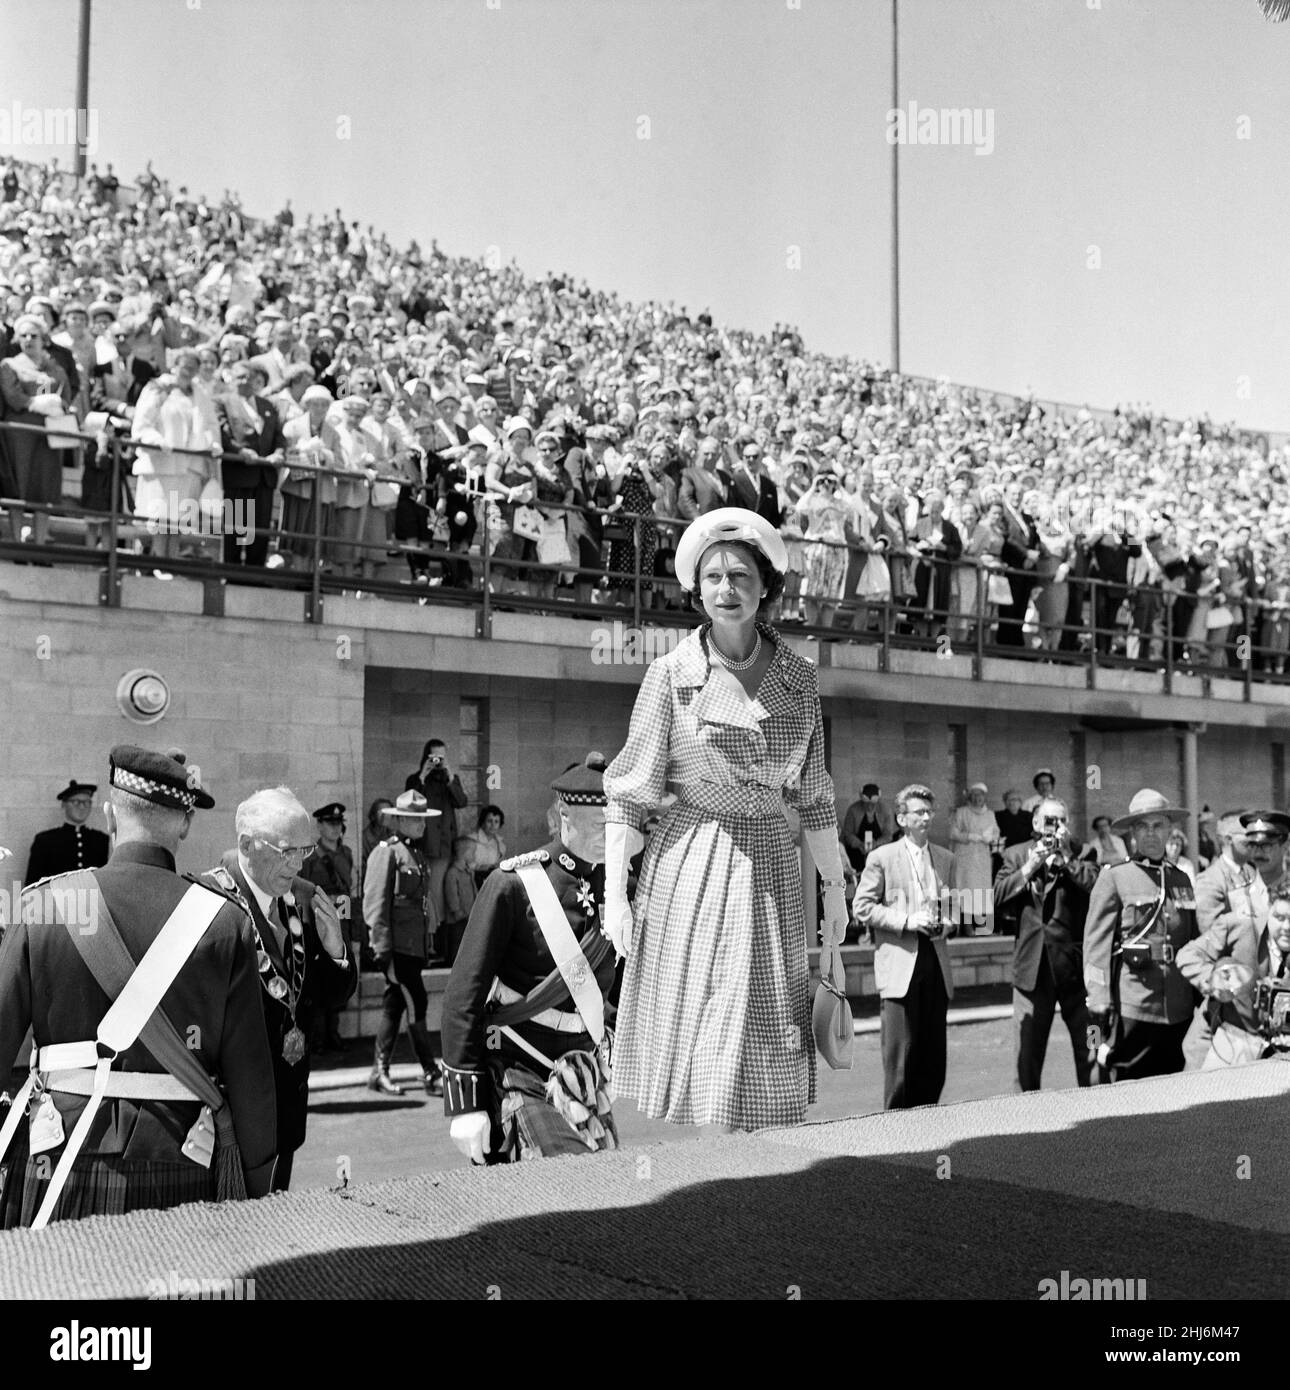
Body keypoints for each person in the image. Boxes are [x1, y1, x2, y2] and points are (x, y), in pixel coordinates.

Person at [602, 507, 848, 1130]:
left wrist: (835, 887)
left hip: (772, 859)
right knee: (711, 1016)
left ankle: (761, 1155)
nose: (726, 590)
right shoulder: (669, 674)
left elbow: (814, 794)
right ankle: (724, 1170)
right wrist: (613, 897)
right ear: (696, 589)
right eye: (712, 577)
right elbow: (631, 792)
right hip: (693, 859)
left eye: (740, 575)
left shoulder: (799, 678)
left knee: (765, 1014)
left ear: (765, 586)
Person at [0, 746, 277, 1227]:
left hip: (55, 1157)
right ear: (185, 824)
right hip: (182, 1159)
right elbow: (253, 1082)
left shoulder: (42, 907)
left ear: (110, 815)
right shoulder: (223, 923)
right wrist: (255, 1188)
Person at [442, 754, 620, 1162]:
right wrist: (465, 1103)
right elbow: (463, 993)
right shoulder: (513, 885)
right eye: (599, 826)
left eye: (615, 826)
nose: (609, 837)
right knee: (555, 1191)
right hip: (519, 1069)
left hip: (584, 1074)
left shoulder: (615, 889)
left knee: (604, 1197)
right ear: (564, 815)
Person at [202, 787, 357, 1190]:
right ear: (246, 845)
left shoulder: (303, 898)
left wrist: (336, 949)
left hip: (286, 1108)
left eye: (304, 851)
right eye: (286, 850)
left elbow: (328, 996)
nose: (296, 864)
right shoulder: (207, 898)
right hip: (228, 1117)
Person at [1083, 789, 1200, 1082]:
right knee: (1130, 1086)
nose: (1151, 834)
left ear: (1170, 830)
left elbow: (1193, 938)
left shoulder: (1181, 878)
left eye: (1158, 825)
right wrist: (1098, 996)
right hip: (1135, 1002)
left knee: (1172, 1085)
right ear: (1132, 832)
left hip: (1178, 1004)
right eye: (1143, 826)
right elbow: (1095, 945)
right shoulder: (1115, 877)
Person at [854, 784, 959, 1110]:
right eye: (919, 812)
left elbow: (953, 907)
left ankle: (927, 1123)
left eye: (929, 812)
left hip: (935, 958)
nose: (926, 817)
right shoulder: (881, 857)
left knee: (933, 1058)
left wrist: (947, 924)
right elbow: (862, 907)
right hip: (901, 962)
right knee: (901, 1058)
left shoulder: (945, 858)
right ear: (902, 818)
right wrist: (906, 921)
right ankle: (895, 1130)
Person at [994, 797, 1099, 1091]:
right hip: (1032, 970)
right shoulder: (1015, 855)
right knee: (1026, 1053)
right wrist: (1031, 865)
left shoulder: (1085, 852)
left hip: (1074, 969)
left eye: (1062, 820)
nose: (1057, 827)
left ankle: (1102, 1107)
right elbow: (996, 897)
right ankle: (1027, 1119)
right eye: (1051, 820)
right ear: (1036, 823)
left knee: (1091, 1042)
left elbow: (1096, 888)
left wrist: (1067, 858)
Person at [362, 791, 443, 1096]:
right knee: (416, 1001)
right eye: (414, 819)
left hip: (413, 947)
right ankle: (430, 1071)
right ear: (399, 821)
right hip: (396, 948)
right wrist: (381, 949)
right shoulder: (388, 853)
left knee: (395, 1005)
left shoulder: (416, 855)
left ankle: (378, 1072)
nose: (421, 825)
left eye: (423, 819)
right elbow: (375, 904)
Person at [1178, 886, 1290, 1067]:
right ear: (1268, 909)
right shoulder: (1238, 925)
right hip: (1221, 1040)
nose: (1287, 927)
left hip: (1272, 1057)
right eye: (1279, 918)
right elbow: (1188, 955)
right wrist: (1215, 982)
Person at [0, 314, 74, 546]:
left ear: (44, 338)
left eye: (34, 335)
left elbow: (66, 393)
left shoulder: (54, 367)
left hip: (49, 433)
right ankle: (17, 541)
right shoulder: (10, 364)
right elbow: (12, 396)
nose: (29, 340)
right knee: (18, 486)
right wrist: (33, 402)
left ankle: (40, 541)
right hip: (21, 433)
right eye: (24, 335)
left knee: (45, 487)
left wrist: (57, 403)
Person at [216, 360, 287, 568]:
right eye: (240, 377)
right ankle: (231, 573)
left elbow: (278, 436)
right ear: (231, 379)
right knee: (235, 528)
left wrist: (279, 453)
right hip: (239, 474)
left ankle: (255, 575)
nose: (245, 381)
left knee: (260, 530)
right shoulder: (222, 401)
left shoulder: (267, 405)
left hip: (264, 477)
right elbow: (222, 432)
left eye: (249, 377)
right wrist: (239, 451)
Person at [298, 802, 355, 1054]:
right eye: (330, 824)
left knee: (340, 976)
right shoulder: (311, 857)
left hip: (342, 920)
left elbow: (349, 892)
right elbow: (305, 892)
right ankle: (318, 1038)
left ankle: (334, 1033)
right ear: (319, 826)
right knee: (319, 979)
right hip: (319, 920)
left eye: (338, 824)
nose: (335, 829)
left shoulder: (347, 853)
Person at [403, 737, 468, 922]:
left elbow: (461, 802)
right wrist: (422, 776)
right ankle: (431, 931)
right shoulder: (415, 779)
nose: (437, 762)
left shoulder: (451, 780)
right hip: (424, 842)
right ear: (426, 757)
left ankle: (436, 932)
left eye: (442, 757)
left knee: (439, 890)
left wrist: (450, 776)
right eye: (434, 757)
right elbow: (409, 804)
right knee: (429, 889)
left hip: (445, 845)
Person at [23, 779, 110, 885]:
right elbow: (32, 886)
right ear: (64, 804)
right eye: (76, 802)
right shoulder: (45, 841)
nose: (82, 806)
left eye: (86, 802)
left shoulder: (102, 840)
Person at [948, 782, 1000, 933]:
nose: (978, 798)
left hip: (982, 859)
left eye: (981, 795)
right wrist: (969, 836)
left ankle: (982, 925)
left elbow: (996, 832)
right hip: (966, 858)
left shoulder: (990, 814)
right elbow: (952, 832)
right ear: (970, 797)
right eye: (975, 795)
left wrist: (990, 836)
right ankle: (966, 925)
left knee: (981, 891)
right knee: (966, 889)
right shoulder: (962, 812)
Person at [840, 782, 894, 874]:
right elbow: (848, 833)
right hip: (857, 852)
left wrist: (876, 844)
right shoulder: (853, 810)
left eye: (873, 804)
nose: (869, 807)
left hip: (879, 851)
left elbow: (888, 835)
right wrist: (860, 844)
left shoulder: (885, 810)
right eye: (866, 804)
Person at [442, 836, 478, 967]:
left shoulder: (468, 872)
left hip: (468, 915)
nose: (475, 855)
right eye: (472, 851)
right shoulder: (453, 873)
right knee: (456, 942)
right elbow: (452, 893)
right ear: (464, 853)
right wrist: (456, 910)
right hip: (457, 917)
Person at [464, 804, 507, 889]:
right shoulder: (471, 840)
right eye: (489, 821)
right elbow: (464, 864)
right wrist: (480, 867)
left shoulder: (501, 846)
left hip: (492, 884)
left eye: (496, 821)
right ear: (483, 822)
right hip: (471, 883)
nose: (493, 825)